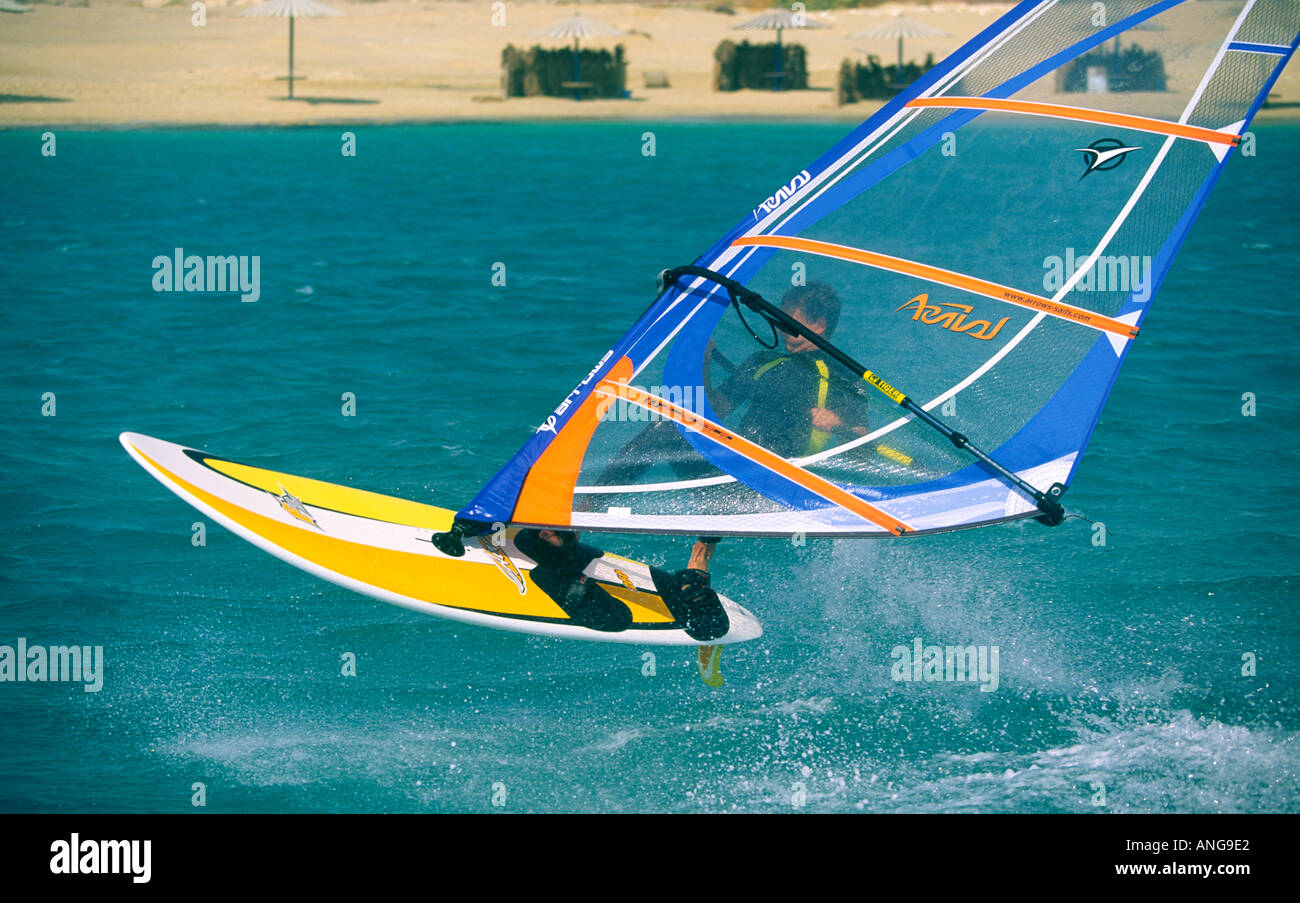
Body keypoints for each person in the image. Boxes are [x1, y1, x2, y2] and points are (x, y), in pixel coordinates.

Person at [596, 281, 870, 488]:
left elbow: (864, 449)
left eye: (787, 320)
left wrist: (836, 424)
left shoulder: (840, 375)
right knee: (667, 426)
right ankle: (581, 513)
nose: (777, 326)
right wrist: (703, 362)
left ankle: (702, 552)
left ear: (818, 325)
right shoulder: (764, 361)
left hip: (778, 485)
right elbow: (712, 411)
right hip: (730, 474)